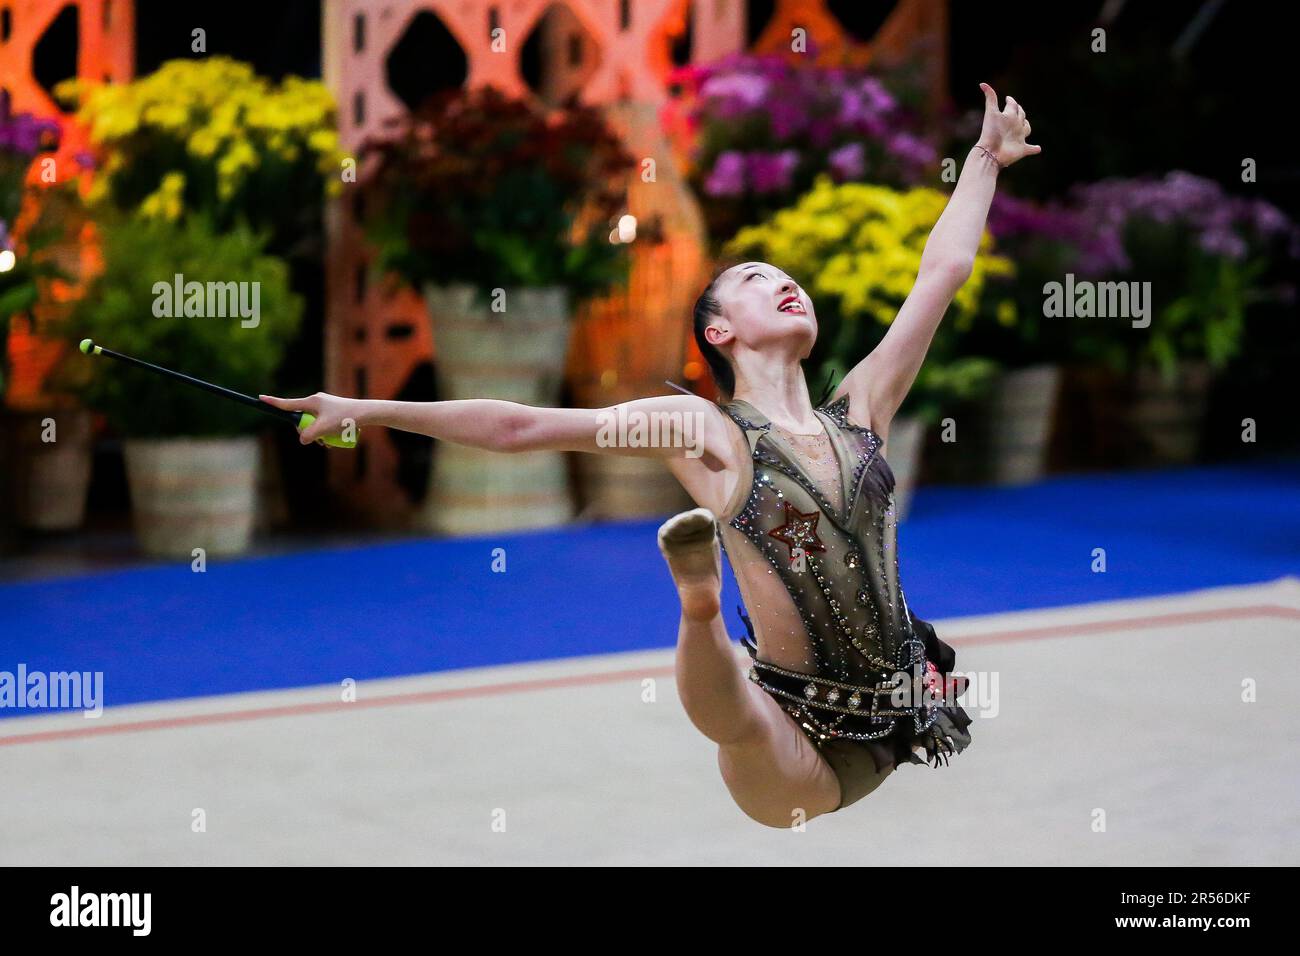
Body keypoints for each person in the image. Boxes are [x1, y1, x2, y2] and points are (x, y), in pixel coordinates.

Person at [261, 84, 1040, 827]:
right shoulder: (706, 432)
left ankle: (706, 610)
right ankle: (697, 600)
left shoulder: (862, 409)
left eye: (787, 278)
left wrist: (985, 161)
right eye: (756, 281)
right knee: (736, 719)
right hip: (794, 750)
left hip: (901, 717)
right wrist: (363, 408)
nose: (784, 284)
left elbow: (942, 273)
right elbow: (522, 427)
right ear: (719, 333)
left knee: (770, 707)